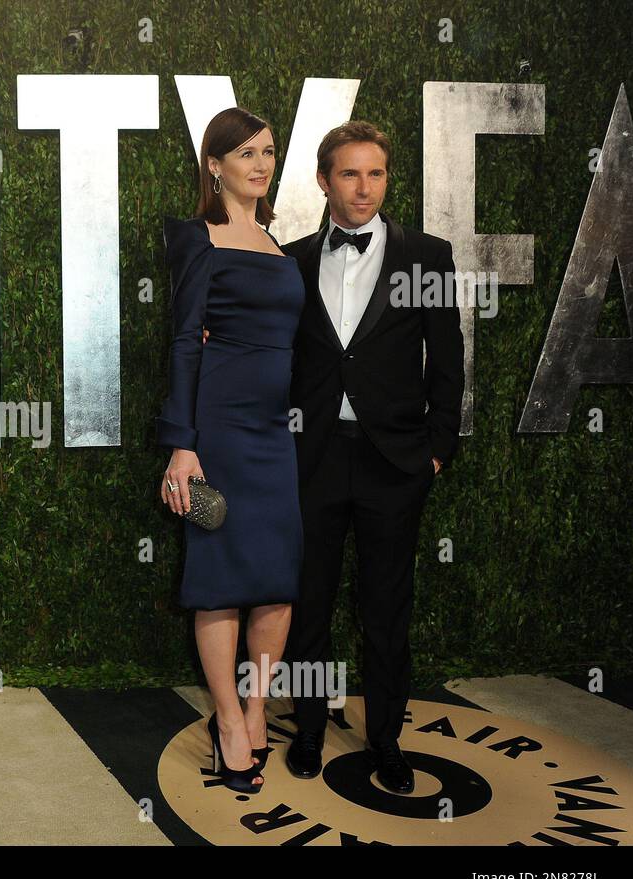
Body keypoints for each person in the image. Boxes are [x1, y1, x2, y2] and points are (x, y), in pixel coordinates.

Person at [277, 120, 465, 794]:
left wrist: (436, 451)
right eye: (350, 174)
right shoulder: (289, 260)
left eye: (376, 174)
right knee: (308, 605)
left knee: (387, 610)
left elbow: (448, 361)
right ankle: (306, 732)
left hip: (394, 463)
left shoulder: (429, 256)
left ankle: (386, 740)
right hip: (313, 460)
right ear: (324, 180)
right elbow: (279, 363)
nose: (364, 188)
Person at [156, 107, 306, 794]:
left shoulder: (279, 245)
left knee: (277, 575)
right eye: (244, 152)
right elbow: (186, 340)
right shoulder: (196, 237)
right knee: (219, 575)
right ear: (213, 164)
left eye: (268, 151)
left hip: (276, 431)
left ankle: (255, 710)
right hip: (217, 424)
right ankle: (224, 721)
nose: (260, 163)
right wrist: (182, 446)